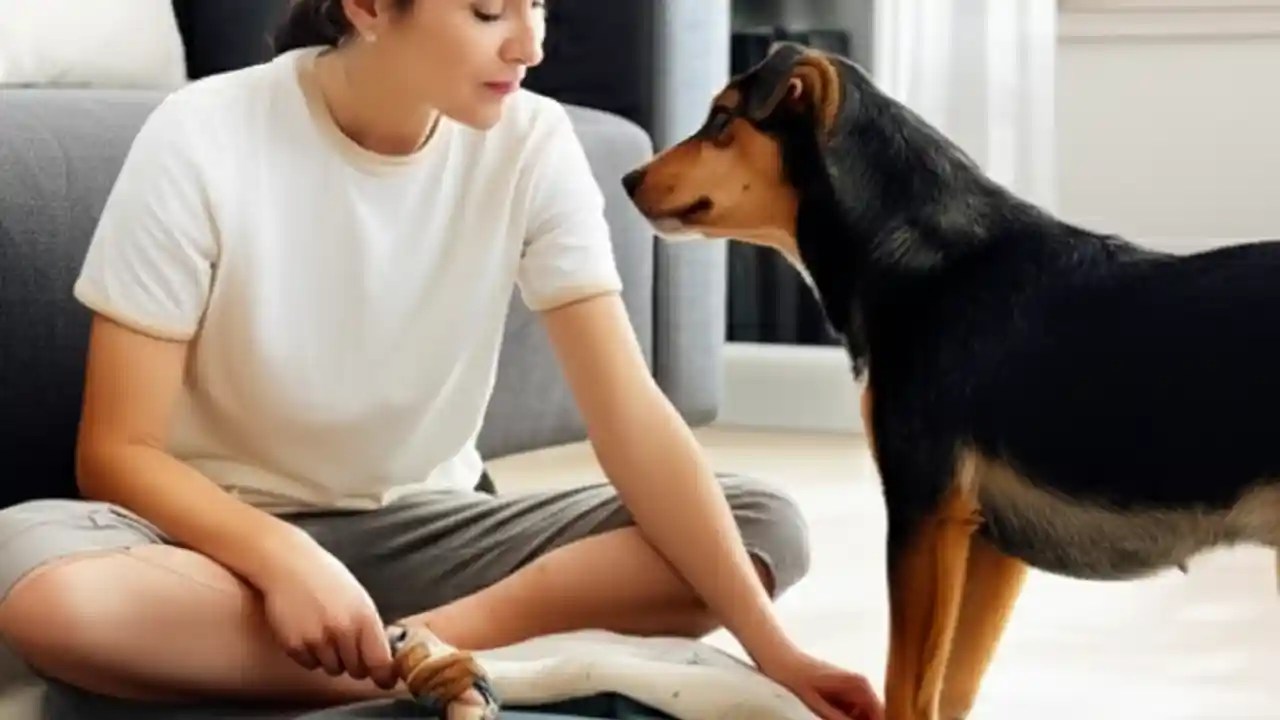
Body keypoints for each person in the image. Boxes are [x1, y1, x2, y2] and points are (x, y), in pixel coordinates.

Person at [0, 1, 882, 718]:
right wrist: (283, 558)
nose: (532, 44)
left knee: (760, 524)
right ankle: (434, 665)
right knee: (46, 594)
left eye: (536, 4)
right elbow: (117, 451)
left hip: (429, 533)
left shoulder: (533, 144)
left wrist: (775, 650)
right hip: (211, 544)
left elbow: (630, 417)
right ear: (371, 7)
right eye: (489, 10)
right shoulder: (202, 134)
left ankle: (413, 653)